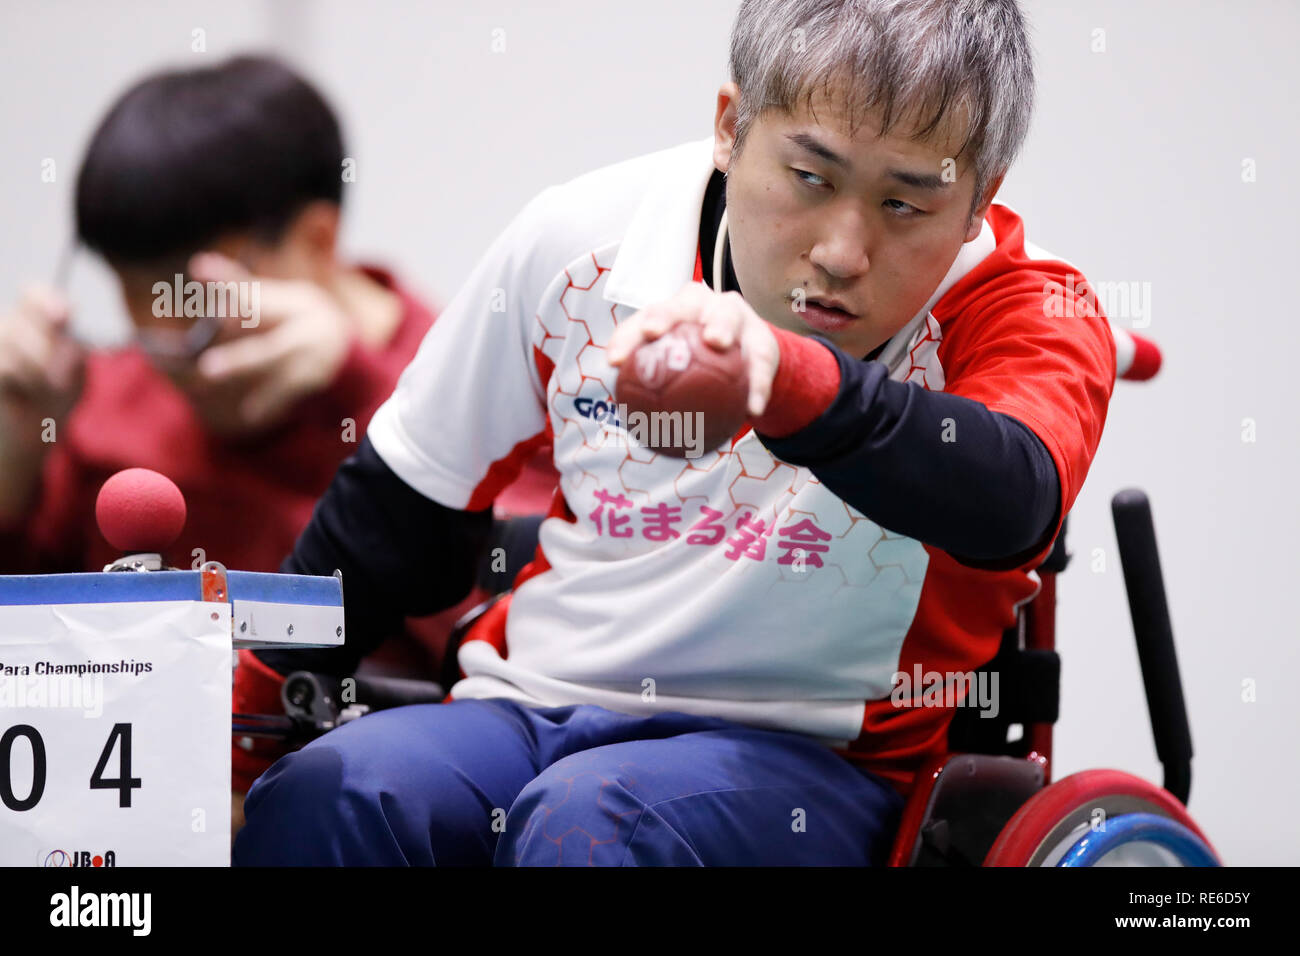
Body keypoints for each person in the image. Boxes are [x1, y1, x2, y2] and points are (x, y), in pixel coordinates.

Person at [233, 0, 1116, 866]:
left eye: (905, 205)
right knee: (335, 789)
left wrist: (784, 377)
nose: (844, 251)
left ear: (978, 198)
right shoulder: (580, 243)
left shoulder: (1028, 306)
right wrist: (238, 742)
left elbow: (1010, 499)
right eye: (811, 177)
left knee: (590, 824)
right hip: (526, 705)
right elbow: (395, 514)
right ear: (731, 127)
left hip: (824, 768)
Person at [0, 55, 556, 817]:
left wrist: (362, 404)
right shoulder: (99, 400)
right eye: (132, 301)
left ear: (316, 240)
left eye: (189, 299)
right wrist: (17, 448)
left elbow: (521, 637)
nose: (160, 348)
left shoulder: (481, 394)